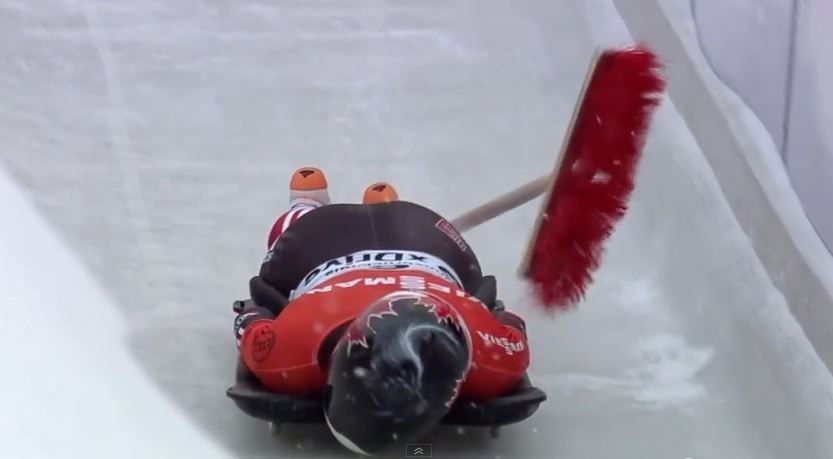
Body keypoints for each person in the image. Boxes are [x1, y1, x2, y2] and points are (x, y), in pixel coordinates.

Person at [234, 167, 530, 455]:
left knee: (293, 244)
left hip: (411, 239)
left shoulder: (294, 344)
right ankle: (354, 207)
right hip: (418, 240)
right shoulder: (493, 361)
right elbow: (510, 322)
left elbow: (252, 319)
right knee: (294, 240)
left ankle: (334, 207)